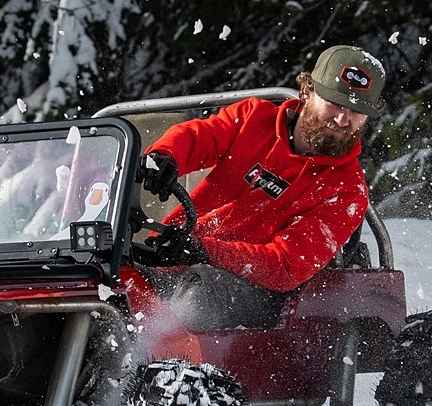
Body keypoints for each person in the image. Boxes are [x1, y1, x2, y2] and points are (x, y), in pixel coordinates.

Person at [138, 44, 386, 329]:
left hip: (260, 296)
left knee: (199, 294)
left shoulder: (347, 191)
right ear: (307, 92)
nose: (343, 120)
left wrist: (205, 251)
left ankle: (159, 365)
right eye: (335, 103)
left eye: (357, 111)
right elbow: (198, 137)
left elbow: (286, 265)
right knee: (109, 279)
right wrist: (166, 156)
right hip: (177, 258)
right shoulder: (253, 118)